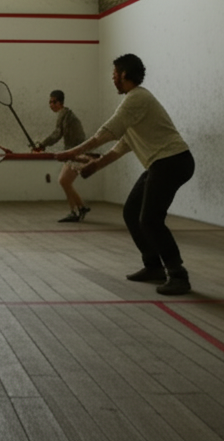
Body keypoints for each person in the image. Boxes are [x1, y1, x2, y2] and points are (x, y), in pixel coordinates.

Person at [56, 54, 195, 295]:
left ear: (124, 74)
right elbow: (123, 144)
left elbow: (106, 132)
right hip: (161, 164)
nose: (112, 79)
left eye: (114, 74)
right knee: (132, 212)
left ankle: (178, 275)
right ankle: (153, 266)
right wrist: (95, 166)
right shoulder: (135, 104)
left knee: (151, 219)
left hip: (172, 161)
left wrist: (73, 151)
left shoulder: (137, 97)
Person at [32, 90, 91, 222]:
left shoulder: (66, 116)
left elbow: (57, 134)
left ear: (61, 103)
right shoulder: (65, 114)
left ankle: (76, 211)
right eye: (50, 102)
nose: (51, 105)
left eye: (54, 102)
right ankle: (80, 208)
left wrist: (42, 145)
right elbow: (59, 134)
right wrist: (42, 145)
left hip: (77, 153)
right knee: (64, 182)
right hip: (73, 153)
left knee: (64, 181)